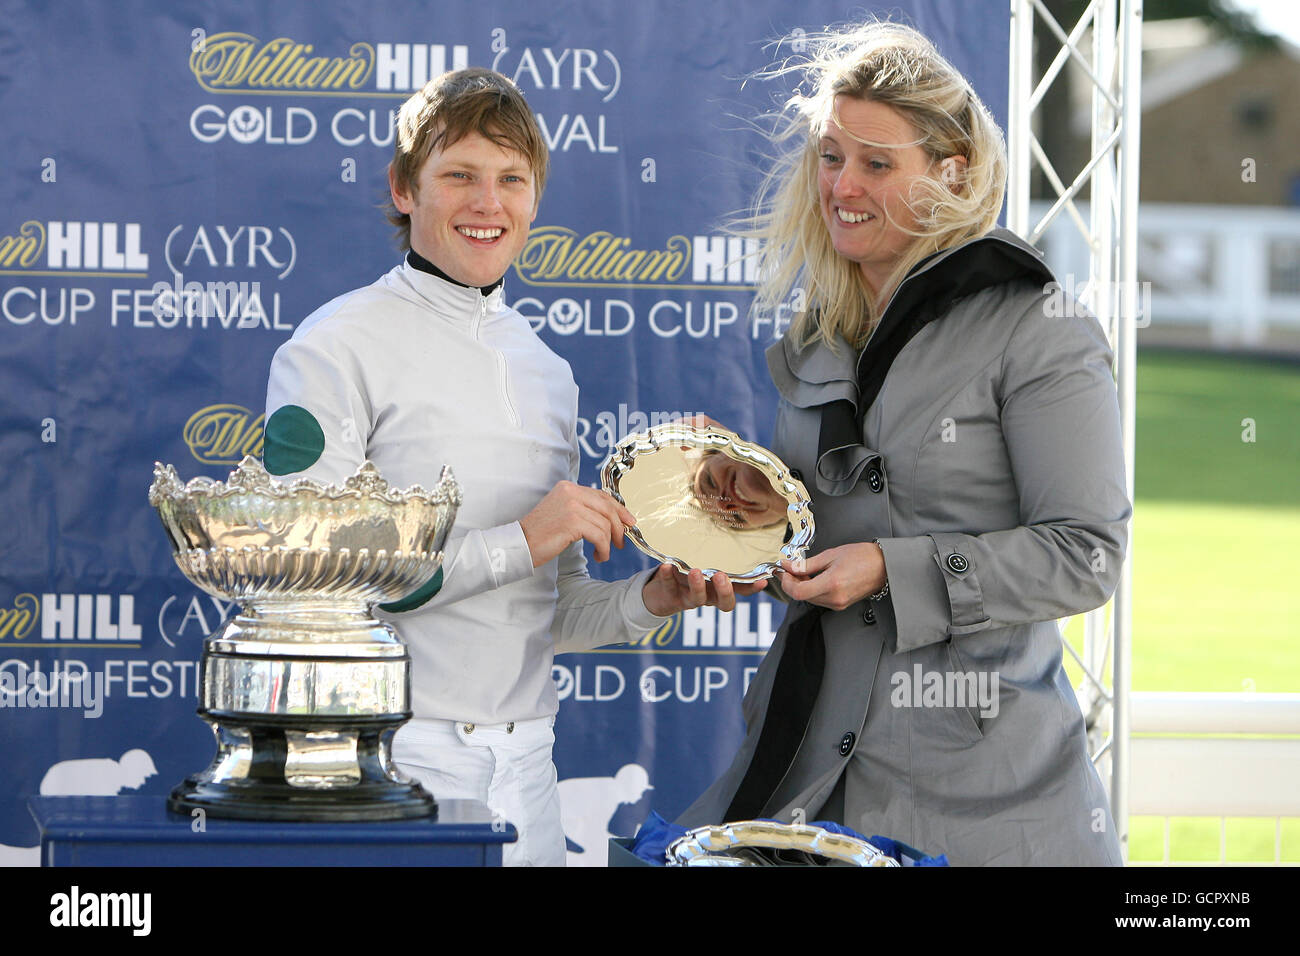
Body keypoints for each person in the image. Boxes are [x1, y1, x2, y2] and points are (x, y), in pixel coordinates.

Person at [262, 68, 759, 866]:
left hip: (528, 771)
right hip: (382, 762)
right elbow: (314, 579)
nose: (487, 204)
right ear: (401, 187)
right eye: (458, 175)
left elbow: (544, 615)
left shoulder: (545, 372)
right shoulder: (333, 347)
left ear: (534, 198)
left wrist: (650, 598)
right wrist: (526, 537)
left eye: (511, 180)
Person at [677, 21, 1130, 865]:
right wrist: (761, 508)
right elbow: (833, 535)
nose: (842, 186)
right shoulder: (821, 331)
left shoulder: (1037, 327)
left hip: (983, 804)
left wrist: (894, 568)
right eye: (829, 155)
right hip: (807, 778)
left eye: (877, 164)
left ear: (951, 174)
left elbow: (1088, 553)